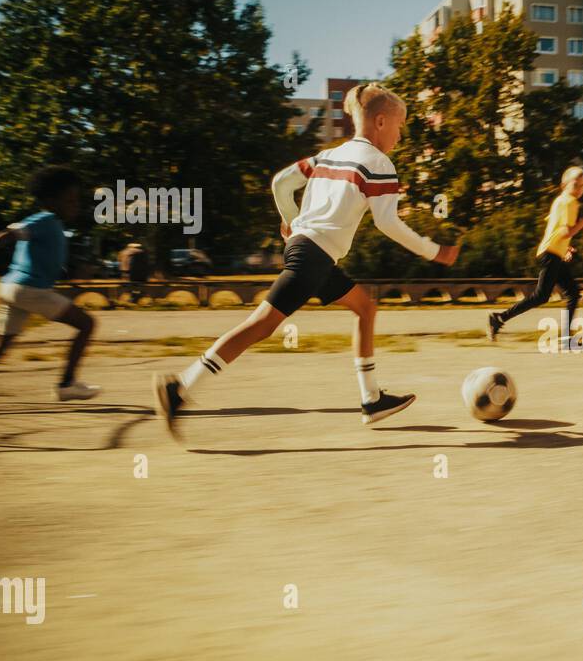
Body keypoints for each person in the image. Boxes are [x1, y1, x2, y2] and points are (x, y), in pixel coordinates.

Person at [151, 82, 460, 441]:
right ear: (379, 122)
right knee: (261, 325)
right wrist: (433, 250)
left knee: (365, 307)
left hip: (310, 250)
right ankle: (182, 388)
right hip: (314, 255)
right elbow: (388, 223)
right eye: (399, 126)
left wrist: (291, 221)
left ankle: (371, 399)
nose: (400, 134)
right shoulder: (379, 163)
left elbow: (281, 183)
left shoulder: (327, 156)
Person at [0, 166, 101, 413]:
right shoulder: (44, 220)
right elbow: (5, 235)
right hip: (29, 290)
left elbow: (44, 259)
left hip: (12, 288)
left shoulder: (54, 225)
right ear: (51, 201)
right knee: (87, 324)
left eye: (76, 199)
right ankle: (66, 384)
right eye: (70, 200)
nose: (75, 205)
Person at [488, 167, 583, 343]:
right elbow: (565, 231)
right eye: (575, 184)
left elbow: (555, 230)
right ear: (564, 185)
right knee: (540, 296)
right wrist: (582, 224)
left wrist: (565, 248)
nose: (579, 188)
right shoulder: (570, 202)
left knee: (572, 292)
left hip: (552, 252)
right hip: (551, 254)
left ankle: (566, 337)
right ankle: (498, 318)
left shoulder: (559, 200)